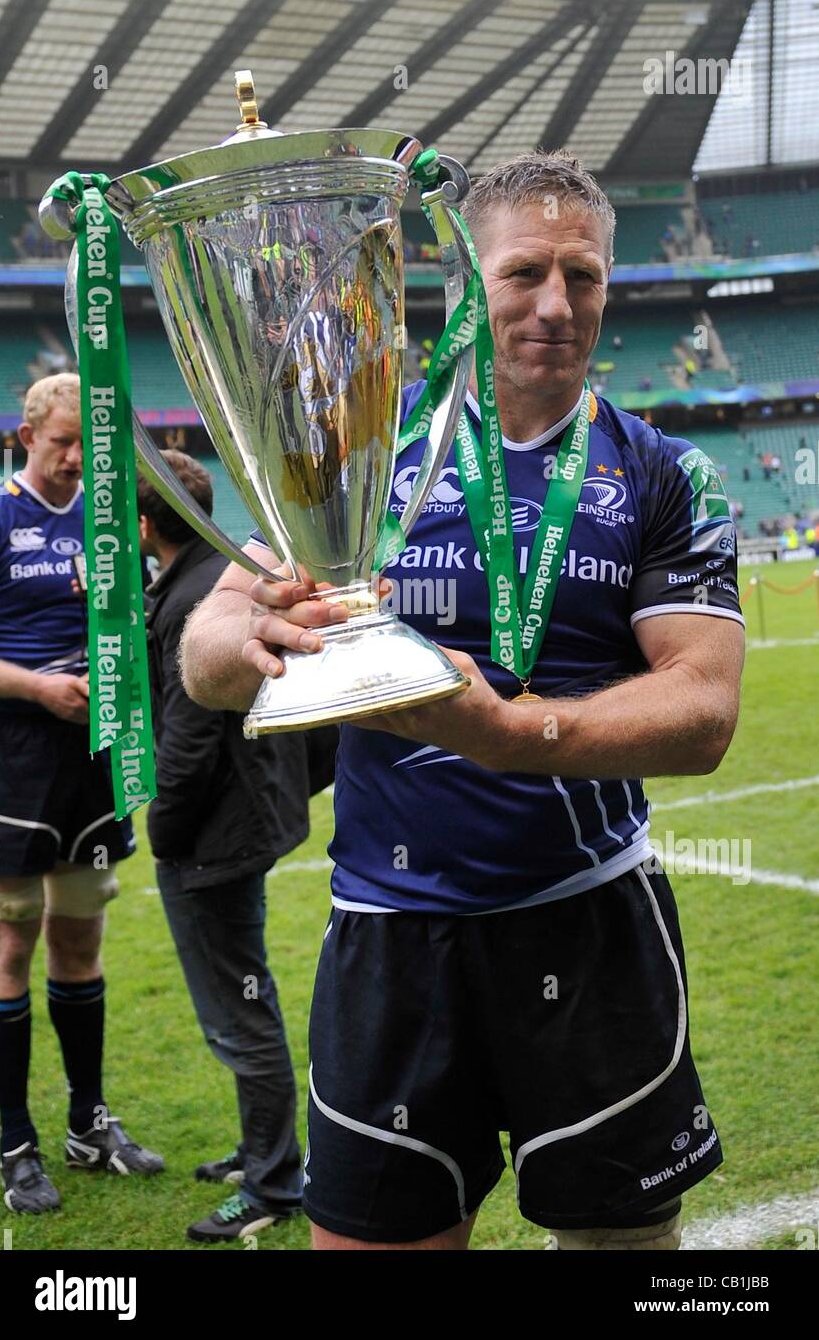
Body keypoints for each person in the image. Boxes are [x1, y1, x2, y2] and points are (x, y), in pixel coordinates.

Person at [180, 150, 745, 1252]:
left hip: (591, 926)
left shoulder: (669, 474)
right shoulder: (354, 445)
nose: (554, 303)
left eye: (582, 276)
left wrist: (501, 732)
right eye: (523, 272)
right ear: (462, 287)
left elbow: (704, 709)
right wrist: (244, 631)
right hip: (393, 939)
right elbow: (206, 654)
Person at [0, 374, 163, 1216]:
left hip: (91, 759)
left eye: (84, 447)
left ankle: (88, 1122)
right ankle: (16, 1140)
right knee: (11, 943)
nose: (72, 460)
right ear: (26, 438)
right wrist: (34, 687)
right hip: (12, 757)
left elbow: (137, 630)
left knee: (81, 944)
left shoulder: (107, 523)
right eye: (59, 443)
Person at [137, 452, 317, 1243]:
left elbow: (188, 743)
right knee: (247, 1002)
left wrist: (164, 836)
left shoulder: (195, 597)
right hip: (246, 821)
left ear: (144, 525)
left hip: (214, 836)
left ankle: (275, 1183)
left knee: (241, 1014)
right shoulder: (221, 570)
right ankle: (262, 1152)